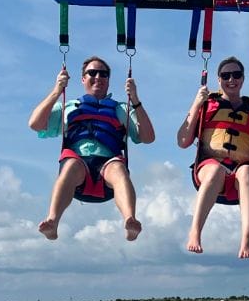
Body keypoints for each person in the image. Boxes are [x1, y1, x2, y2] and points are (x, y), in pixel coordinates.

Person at [29, 56, 155, 241]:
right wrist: (56, 91)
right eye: (92, 73)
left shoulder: (121, 109)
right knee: (71, 165)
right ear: (83, 79)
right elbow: (35, 124)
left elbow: (148, 137)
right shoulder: (69, 107)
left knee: (119, 169)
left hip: (108, 167)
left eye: (103, 74)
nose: (98, 77)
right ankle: (53, 221)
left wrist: (135, 100)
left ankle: (130, 220)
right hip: (78, 167)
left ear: (109, 80)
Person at [177, 57, 249, 259]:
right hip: (210, 167)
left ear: (243, 79)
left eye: (236, 75)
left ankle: (247, 239)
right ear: (218, 79)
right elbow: (182, 140)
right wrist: (196, 103)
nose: (231, 79)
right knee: (215, 170)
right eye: (226, 76)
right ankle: (195, 233)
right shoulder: (208, 104)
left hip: (241, 172)